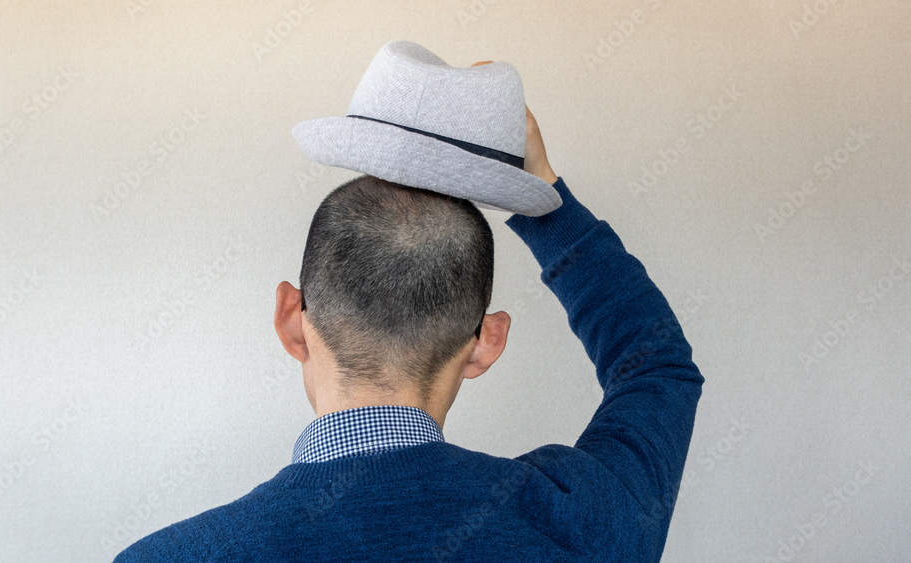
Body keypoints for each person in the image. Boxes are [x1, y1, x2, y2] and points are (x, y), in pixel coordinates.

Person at [115, 62, 704, 562]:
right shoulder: (580, 523)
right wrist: (544, 198)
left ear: (291, 319)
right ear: (487, 341)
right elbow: (656, 367)